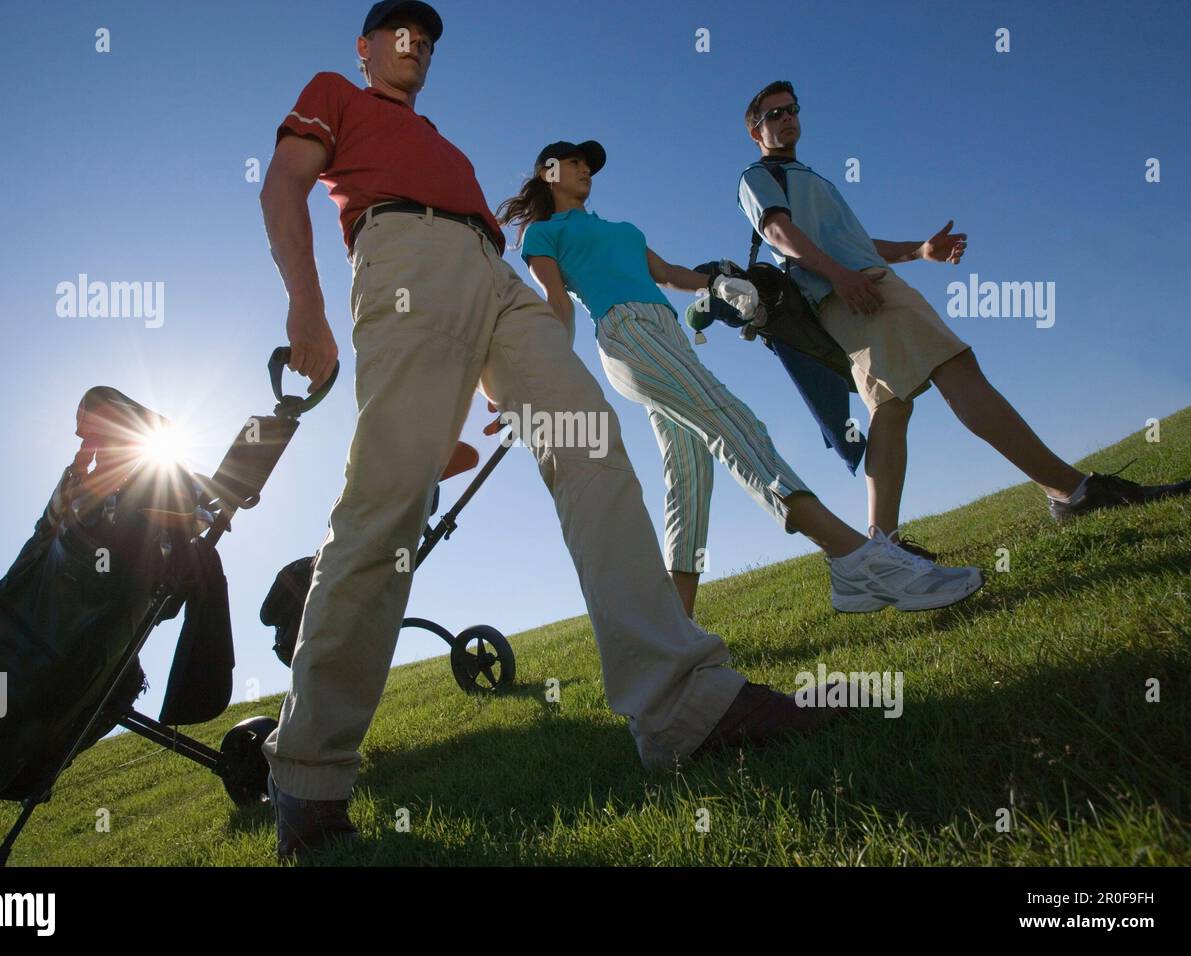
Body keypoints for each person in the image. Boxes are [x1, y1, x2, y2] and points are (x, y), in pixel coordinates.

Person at [257, 2, 830, 864]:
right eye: (400, 33)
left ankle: (683, 706)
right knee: (387, 505)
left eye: (429, 39)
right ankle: (307, 774)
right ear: (367, 47)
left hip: (493, 277)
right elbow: (283, 186)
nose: (417, 46)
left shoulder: (444, 141)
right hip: (405, 261)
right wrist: (305, 303)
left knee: (590, 441)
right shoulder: (335, 94)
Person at [496, 140, 984, 618]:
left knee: (690, 475)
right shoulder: (543, 234)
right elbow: (558, 305)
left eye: (589, 164)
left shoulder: (623, 229)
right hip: (625, 334)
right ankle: (857, 560)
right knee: (733, 423)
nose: (586, 170)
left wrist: (717, 283)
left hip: (666, 333)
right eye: (576, 162)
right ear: (549, 172)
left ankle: (676, 630)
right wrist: (539, 380)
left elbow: (667, 273)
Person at [736, 81, 1191, 547]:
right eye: (774, 115)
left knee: (890, 407)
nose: (788, 117)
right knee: (956, 368)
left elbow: (860, 244)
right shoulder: (758, 178)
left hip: (856, 287)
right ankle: (1073, 491)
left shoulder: (809, 177)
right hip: (859, 293)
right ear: (756, 132)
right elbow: (778, 232)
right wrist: (840, 276)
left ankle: (883, 546)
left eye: (792, 109)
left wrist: (919, 250)